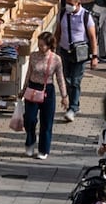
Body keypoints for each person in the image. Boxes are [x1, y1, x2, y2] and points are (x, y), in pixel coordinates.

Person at [21, 30, 70, 159]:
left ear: (49, 45)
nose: (40, 47)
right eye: (39, 44)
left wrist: (64, 96)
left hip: (47, 90)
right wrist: (23, 89)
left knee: (46, 122)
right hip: (32, 89)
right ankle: (30, 141)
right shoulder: (33, 56)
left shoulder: (56, 59)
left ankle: (43, 149)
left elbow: (60, 78)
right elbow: (29, 73)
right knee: (29, 119)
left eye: (42, 45)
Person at [57, 0, 95, 120]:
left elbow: (92, 37)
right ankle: (72, 105)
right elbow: (58, 31)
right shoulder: (62, 14)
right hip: (64, 51)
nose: (68, 6)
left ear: (78, 4)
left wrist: (94, 56)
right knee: (66, 80)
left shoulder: (86, 16)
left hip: (80, 53)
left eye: (71, 4)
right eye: (66, 3)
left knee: (75, 81)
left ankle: (73, 108)